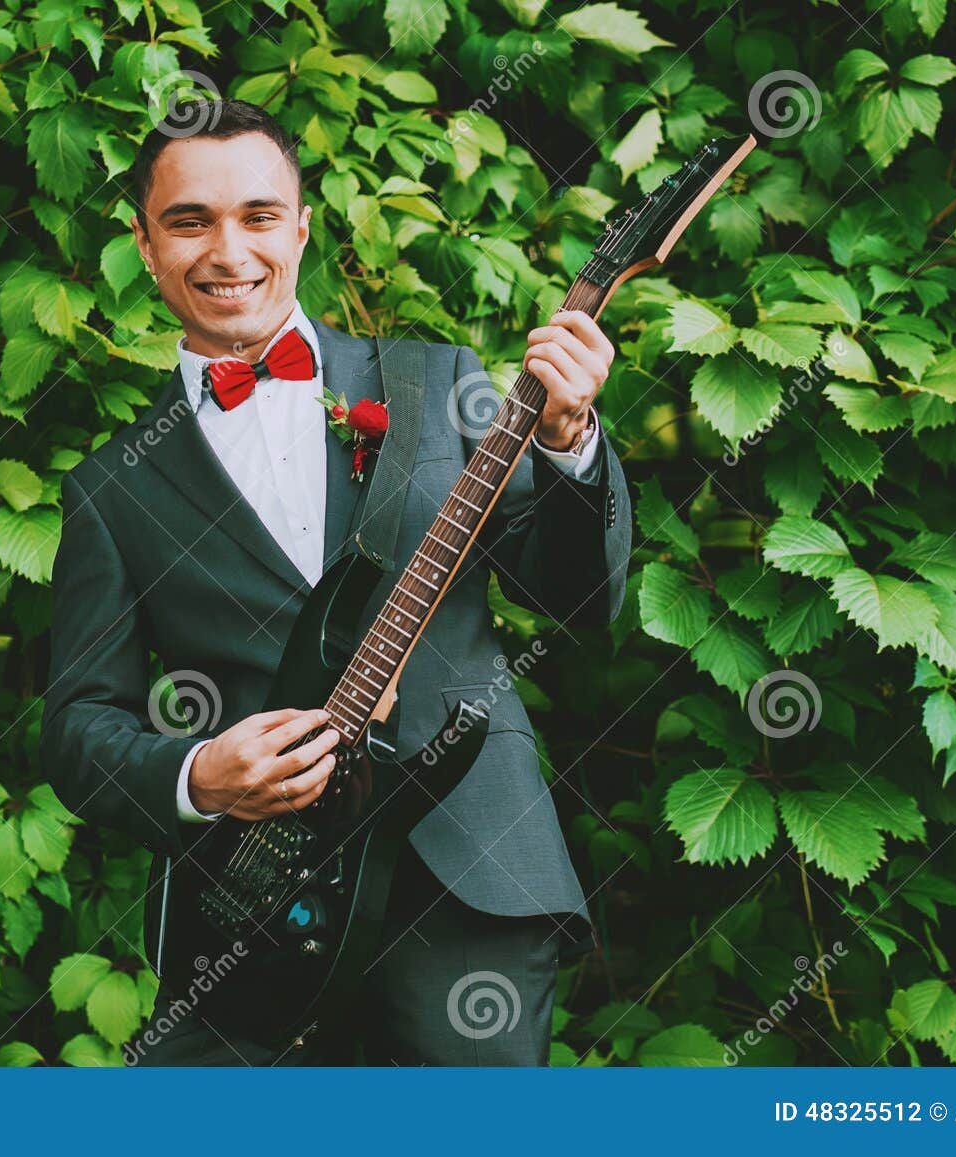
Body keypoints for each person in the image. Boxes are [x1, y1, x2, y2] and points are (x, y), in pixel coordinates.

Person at [41, 99, 631, 1065]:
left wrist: (570, 442)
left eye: (258, 215)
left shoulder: (437, 380)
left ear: (302, 227)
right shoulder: (112, 489)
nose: (228, 249)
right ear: (146, 246)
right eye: (191, 220)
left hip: (467, 871)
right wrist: (200, 775)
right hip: (251, 912)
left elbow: (581, 597)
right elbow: (76, 728)